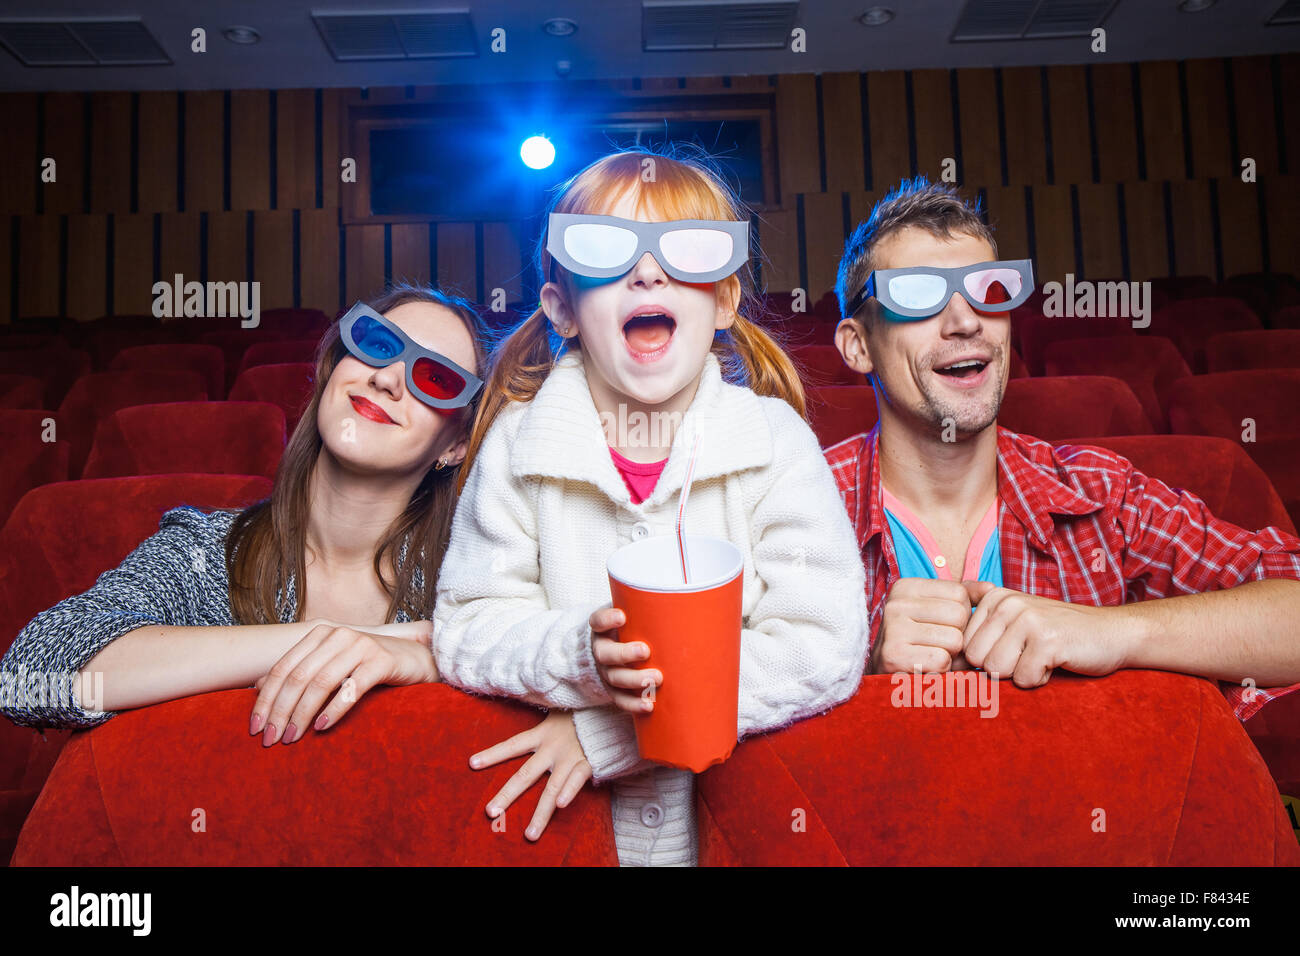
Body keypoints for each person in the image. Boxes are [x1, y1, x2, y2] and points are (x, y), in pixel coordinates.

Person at [433, 148, 869, 866]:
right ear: (563, 310)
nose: (647, 272)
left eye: (687, 252)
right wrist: (581, 657)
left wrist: (612, 730)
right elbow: (468, 627)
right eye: (606, 253)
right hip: (568, 845)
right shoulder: (517, 445)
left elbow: (822, 643)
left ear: (724, 302)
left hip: (746, 837)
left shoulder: (774, 441)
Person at [825, 176, 1300, 715]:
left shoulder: (1099, 493)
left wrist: (1110, 634)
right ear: (858, 346)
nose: (965, 321)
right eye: (916, 295)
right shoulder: (798, 504)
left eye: (988, 289)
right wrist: (860, 668)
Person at [0, 284, 487, 744]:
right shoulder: (205, 551)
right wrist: (352, 642)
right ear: (334, 370)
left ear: (457, 444)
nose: (386, 378)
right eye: (377, 344)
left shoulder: (477, 583)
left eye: (436, 378)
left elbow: (557, 678)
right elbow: (29, 678)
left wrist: (436, 656)